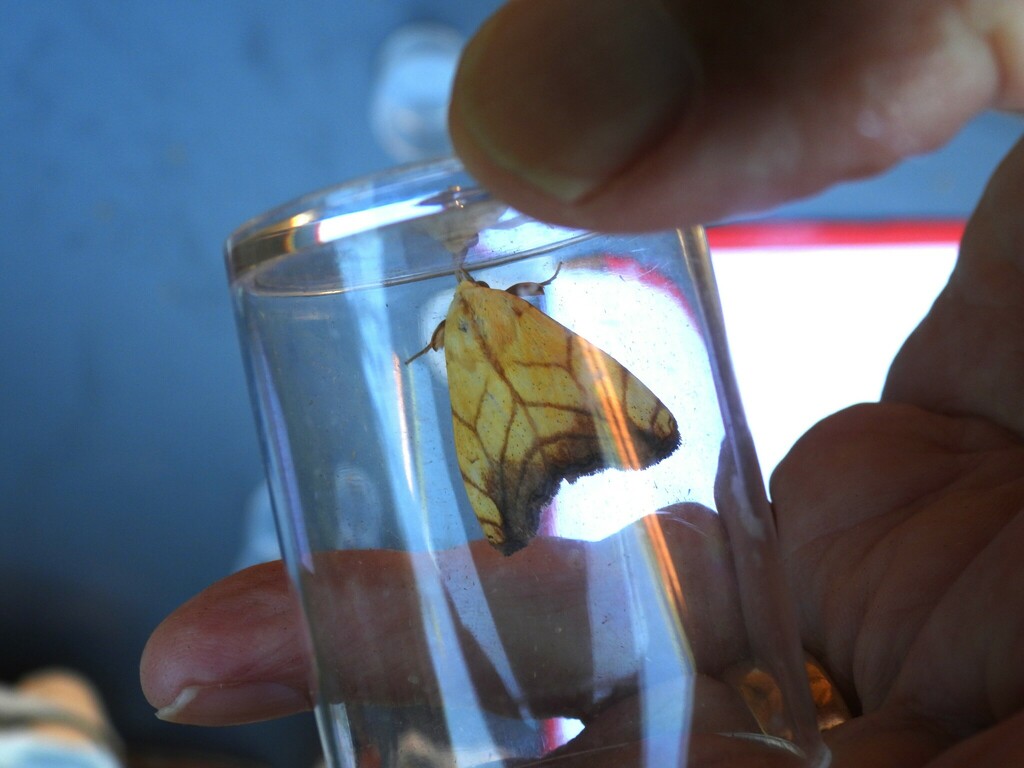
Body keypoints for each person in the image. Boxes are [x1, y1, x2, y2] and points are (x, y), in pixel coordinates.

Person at [141, 2, 1024, 765]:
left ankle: (458, 153)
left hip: (486, 376)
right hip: (528, 348)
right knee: (506, 399)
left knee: (467, 428)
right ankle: (468, 159)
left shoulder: (465, 321)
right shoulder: (515, 313)